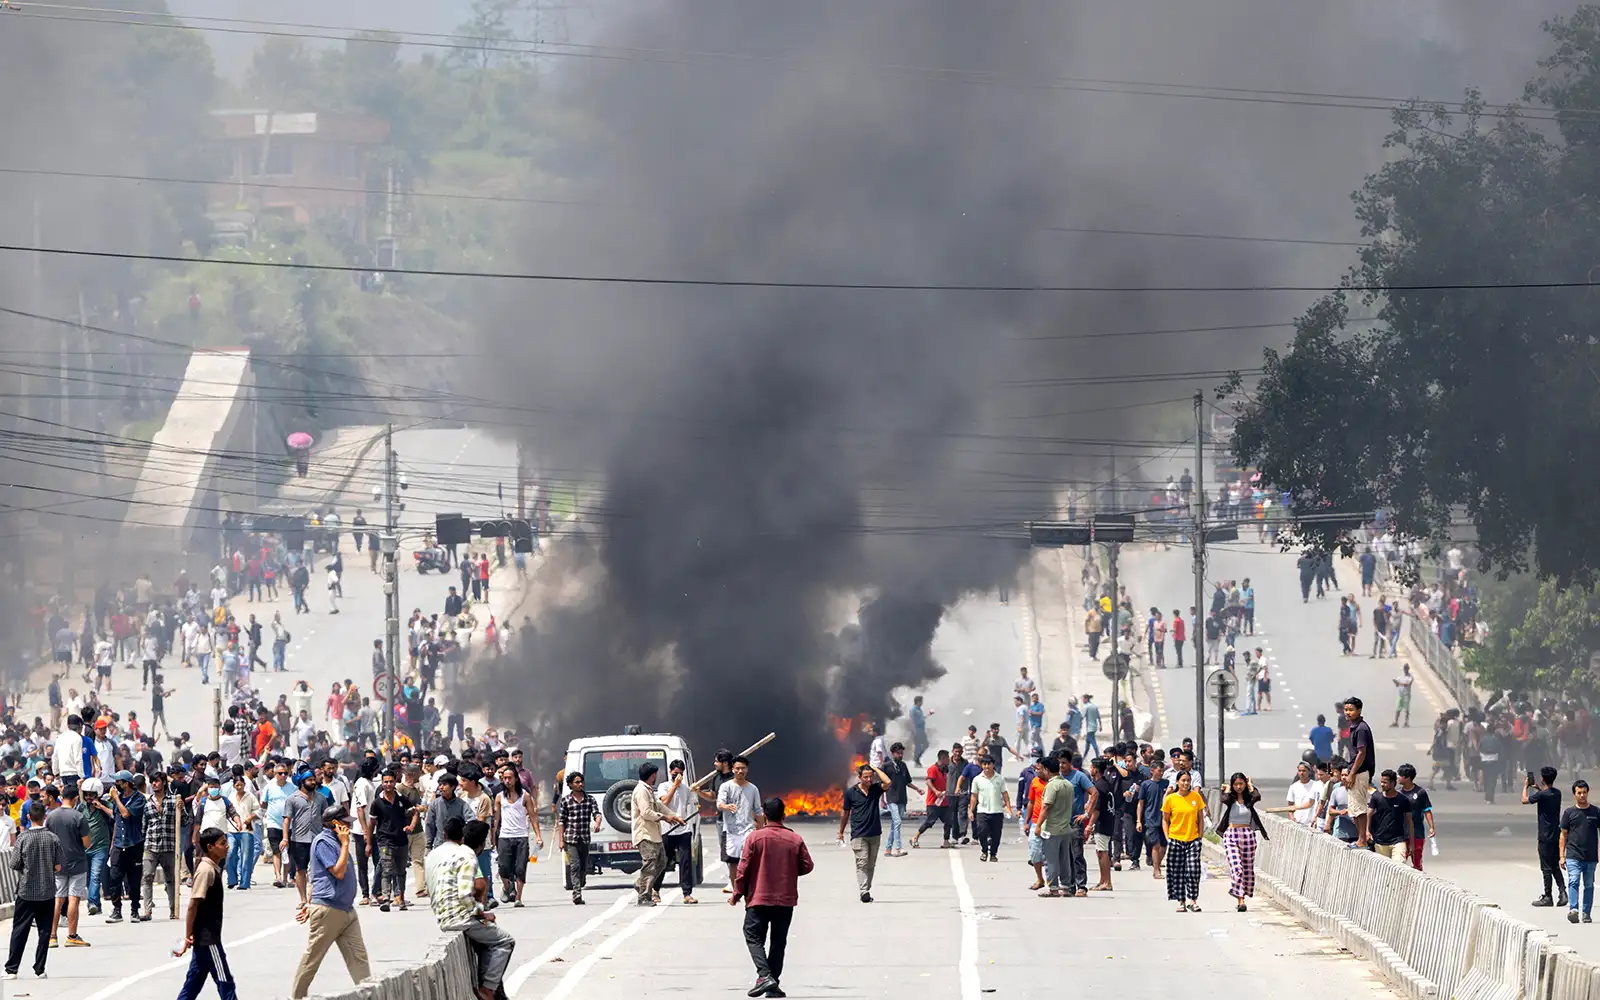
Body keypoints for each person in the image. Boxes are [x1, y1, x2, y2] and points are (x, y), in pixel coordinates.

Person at [731, 797, 813, 999]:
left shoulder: (755, 838)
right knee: (778, 941)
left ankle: (765, 976)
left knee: (752, 935)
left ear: (764, 816)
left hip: (759, 897)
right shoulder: (795, 839)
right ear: (784, 815)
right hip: (785, 899)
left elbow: (743, 870)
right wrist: (788, 869)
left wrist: (737, 893)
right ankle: (772, 985)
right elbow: (807, 865)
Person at [430, 818, 517, 1000]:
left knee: (489, 926)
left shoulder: (454, 853)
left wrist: (483, 915)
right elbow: (464, 895)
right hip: (462, 918)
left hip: (449, 915)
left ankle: (488, 985)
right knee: (506, 941)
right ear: (482, 843)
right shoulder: (469, 857)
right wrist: (481, 911)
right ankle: (488, 989)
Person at [290, 806, 370, 998]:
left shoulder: (336, 840)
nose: (348, 827)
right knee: (312, 959)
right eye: (345, 823)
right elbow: (338, 872)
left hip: (346, 910)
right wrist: (344, 844)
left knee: (359, 958)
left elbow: (314, 876)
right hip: (329, 909)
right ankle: (297, 997)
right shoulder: (323, 842)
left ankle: (370, 994)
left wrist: (309, 903)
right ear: (334, 824)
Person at [175, 828, 238, 1000]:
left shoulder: (212, 868)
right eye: (222, 844)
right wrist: (188, 936)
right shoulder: (206, 870)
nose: (227, 847)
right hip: (208, 938)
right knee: (225, 982)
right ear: (210, 847)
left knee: (193, 983)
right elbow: (193, 905)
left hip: (205, 937)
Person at [5, 802, 57, 980]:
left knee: (20, 930)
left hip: (26, 890)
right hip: (47, 891)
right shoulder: (52, 838)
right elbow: (58, 866)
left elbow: (13, 864)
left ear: (28, 817)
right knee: (44, 931)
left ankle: (12, 968)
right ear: (45, 816)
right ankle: (40, 968)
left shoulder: (23, 838)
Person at [632, 761, 685, 907]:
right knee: (649, 865)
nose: (656, 777)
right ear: (651, 775)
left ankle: (640, 884)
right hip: (645, 834)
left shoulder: (648, 789)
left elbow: (659, 805)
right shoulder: (641, 791)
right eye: (655, 774)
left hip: (654, 834)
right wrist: (665, 818)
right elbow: (646, 813)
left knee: (661, 863)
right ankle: (644, 897)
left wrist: (674, 816)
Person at [837, 761, 891, 902]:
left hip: (874, 833)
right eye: (865, 777)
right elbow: (845, 813)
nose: (868, 780)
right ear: (859, 777)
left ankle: (866, 888)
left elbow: (888, 781)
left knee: (871, 865)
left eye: (870, 777)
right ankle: (864, 891)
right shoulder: (850, 793)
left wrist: (875, 768)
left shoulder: (875, 789)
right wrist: (841, 832)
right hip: (858, 834)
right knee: (862, 863)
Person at [45, 782, 91, 947]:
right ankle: (72, 935)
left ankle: (51, 936)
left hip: (57, 864)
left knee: (58, 900)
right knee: (73, 899)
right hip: (77, 863)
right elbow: (87, 844)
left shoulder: (51, 816)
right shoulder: (79, 817)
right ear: (75, 798)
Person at [1216, 772, 1268, 912]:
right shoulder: (1230, 799)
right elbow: (1224, 799)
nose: (1239, 787)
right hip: (1231, 834)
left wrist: (1251, 785)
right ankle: (1241, 900)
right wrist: (1226, 789)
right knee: (1237, 868)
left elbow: (1257, 796)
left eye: (1241, 784)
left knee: (1247, 869)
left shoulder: (1249, 799)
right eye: (1236, 784)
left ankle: (1242, 894)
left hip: (1247, 835)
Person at [1162, 770, 1207, 912]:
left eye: (1188, 780)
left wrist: (1200, 837)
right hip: (1175, 839)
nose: (1186, 783)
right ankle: (1181, 901)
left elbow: (1200, 818)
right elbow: (1165, 819)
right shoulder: (1171, 799)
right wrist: (1167, 838)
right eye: (1183, 780)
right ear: (1177, 782)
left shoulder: (1196, 797)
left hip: (1193, 840)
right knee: (1177, 872)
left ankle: (1193, 900)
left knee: (1193, 871)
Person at [715, 756, 761, 894]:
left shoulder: (753, 789)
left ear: (747, 770)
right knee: (733, 863)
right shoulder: (726, 786)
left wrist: (763, 828)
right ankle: (736, 891)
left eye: (743, 768)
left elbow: (758, 809)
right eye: (737, 768)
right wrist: (726, 806)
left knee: (748, 862)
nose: (740, 771)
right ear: (733, 769)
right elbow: (719, 803)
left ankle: (748, 889)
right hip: (730, 831)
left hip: (748, 830)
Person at [654, 760, 697, 904]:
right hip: (667, 829)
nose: (677, 776)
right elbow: (664, 802)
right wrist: (674, 786)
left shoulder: (686, 789)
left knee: (685, 862)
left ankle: (687, 893)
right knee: (663, 862)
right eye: (675, 773)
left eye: (680, 774)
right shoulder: (663, 786)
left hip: (683, 829)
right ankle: (655, 890)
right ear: (670, 772)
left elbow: (692, 804)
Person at [556, 772, 602, 905]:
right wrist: (560, 840)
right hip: (571, 839)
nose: (580, 784)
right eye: (576, 782)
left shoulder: (590, 799)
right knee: (574, 866)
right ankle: (577, 893)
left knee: (583, 867)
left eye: (581, 781)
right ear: (570, 784)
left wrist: (597, 822)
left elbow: (596, 813)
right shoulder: (566, 801)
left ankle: (581, 882)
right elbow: (562, 821)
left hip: (585, 838)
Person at [1527, 767, 1568, 908]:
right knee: (1555, 864)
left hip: (1544, 835)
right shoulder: (1557, 793)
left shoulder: (1542, 795)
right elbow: (1546, 796)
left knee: (1546, 867)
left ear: (1543, 778)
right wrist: (1539, 789)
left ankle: (1548, 896)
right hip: (1556, 834)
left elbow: (1524, 800)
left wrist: (1526, 786)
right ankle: (1563, 892)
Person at [967, 754, 1013, 863]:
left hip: (996, 811)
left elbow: (1005, 794)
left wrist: (1008, 808)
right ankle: (984, 851)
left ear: (993, 765)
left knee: (996, 835)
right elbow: (974, 796)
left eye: (989, 764)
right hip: (982, 811)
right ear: (982, 765)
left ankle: (993, 854)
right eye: (984, 764)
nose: (986, 767)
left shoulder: (1000, 779)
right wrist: (970, 811)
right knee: (982, 832)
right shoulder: (977, 779)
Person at [1344, 697, 1376, 848]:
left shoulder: (1361, 728)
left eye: (1351, 710)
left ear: (1359, 710)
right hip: (1354, 771)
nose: (1348, 713)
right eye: (1346, 710)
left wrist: (1352, 774)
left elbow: (1361, 753)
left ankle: (1362, 840)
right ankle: (1360, 838)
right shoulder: (1354, 727)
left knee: (1360, 807)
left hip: (1360, 772)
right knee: (1354, 808)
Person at [1369, 769, 1415, 864]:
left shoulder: (1403, 800)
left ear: (1393, 783)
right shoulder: (1376, 798)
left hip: (1398, 840)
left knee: (1399, 866)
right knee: (1383, 870)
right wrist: (1366, 832)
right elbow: (1368, 814)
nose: (1382, 784)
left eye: (1385, 782)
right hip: (1380, 841)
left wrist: (1411, 843)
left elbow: (1409, 821)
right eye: (1381, 782)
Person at [1396, 764, 1435, 872]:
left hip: (1417, 833)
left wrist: (1431, 827)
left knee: (1417, 863)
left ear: (1407, 778)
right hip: (1401, 834)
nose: (1397, 777)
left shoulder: (1420, 792)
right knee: (1399, 862)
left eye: (1400, 775)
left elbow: (1427, 810)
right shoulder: (1398, 793)